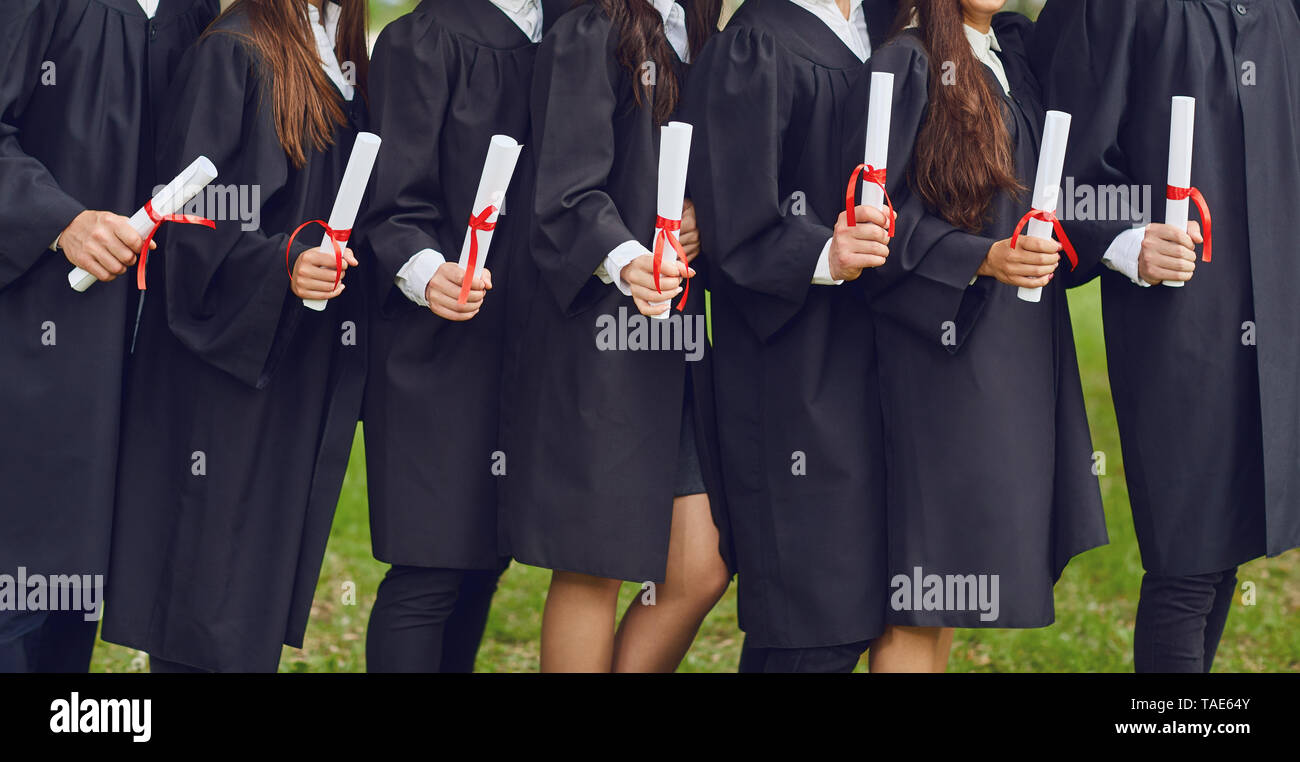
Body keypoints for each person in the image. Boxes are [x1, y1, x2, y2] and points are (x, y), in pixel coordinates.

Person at [100, 0, 369, 673]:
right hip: (223, 358)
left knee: (248, 588)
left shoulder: (340, 48)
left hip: (293, 352)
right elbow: (186, 217)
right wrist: (282, 262)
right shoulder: (236, 49)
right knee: (208, 597)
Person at [1032, 0, 1300, 673]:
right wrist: (1125, 241)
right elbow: (1060, 154)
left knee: (1229, 540)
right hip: (1181, 309)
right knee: (1188, 553)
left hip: (1276, 299)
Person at [853, 0, 1107, 672]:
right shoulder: (904, 62)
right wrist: (982, 257)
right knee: (924, 588)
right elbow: (872, 220)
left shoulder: (1008, 58)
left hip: (1014, 351)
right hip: (941, 354)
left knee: (952, 589)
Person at [499, 0, 734, 673]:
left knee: (700, 566)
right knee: (593, 563)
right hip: (598, 337)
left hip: (676, 340)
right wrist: (630, 257)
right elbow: (566, 191)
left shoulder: (703, 34)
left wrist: (701, 217)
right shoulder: (590, 28)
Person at [0, 0, 218, 674]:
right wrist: (60, 220)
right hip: (28, 324)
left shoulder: (190, 9)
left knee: (78, 582)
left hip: (135, 340)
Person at [683, 0, 898, 673]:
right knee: (813, 618)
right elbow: (733, 220)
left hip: (883, 357)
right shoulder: (755, 43)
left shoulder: (887, 26)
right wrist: (826, 256)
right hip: (793, 368)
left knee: (863, 607)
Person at [358, 0, 567, 674]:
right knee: (431, 564)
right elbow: (392, 204)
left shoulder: (572, 29)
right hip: (439, 340)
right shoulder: (420, 41)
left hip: (534, 338)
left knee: (483, 562)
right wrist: (427, 271)